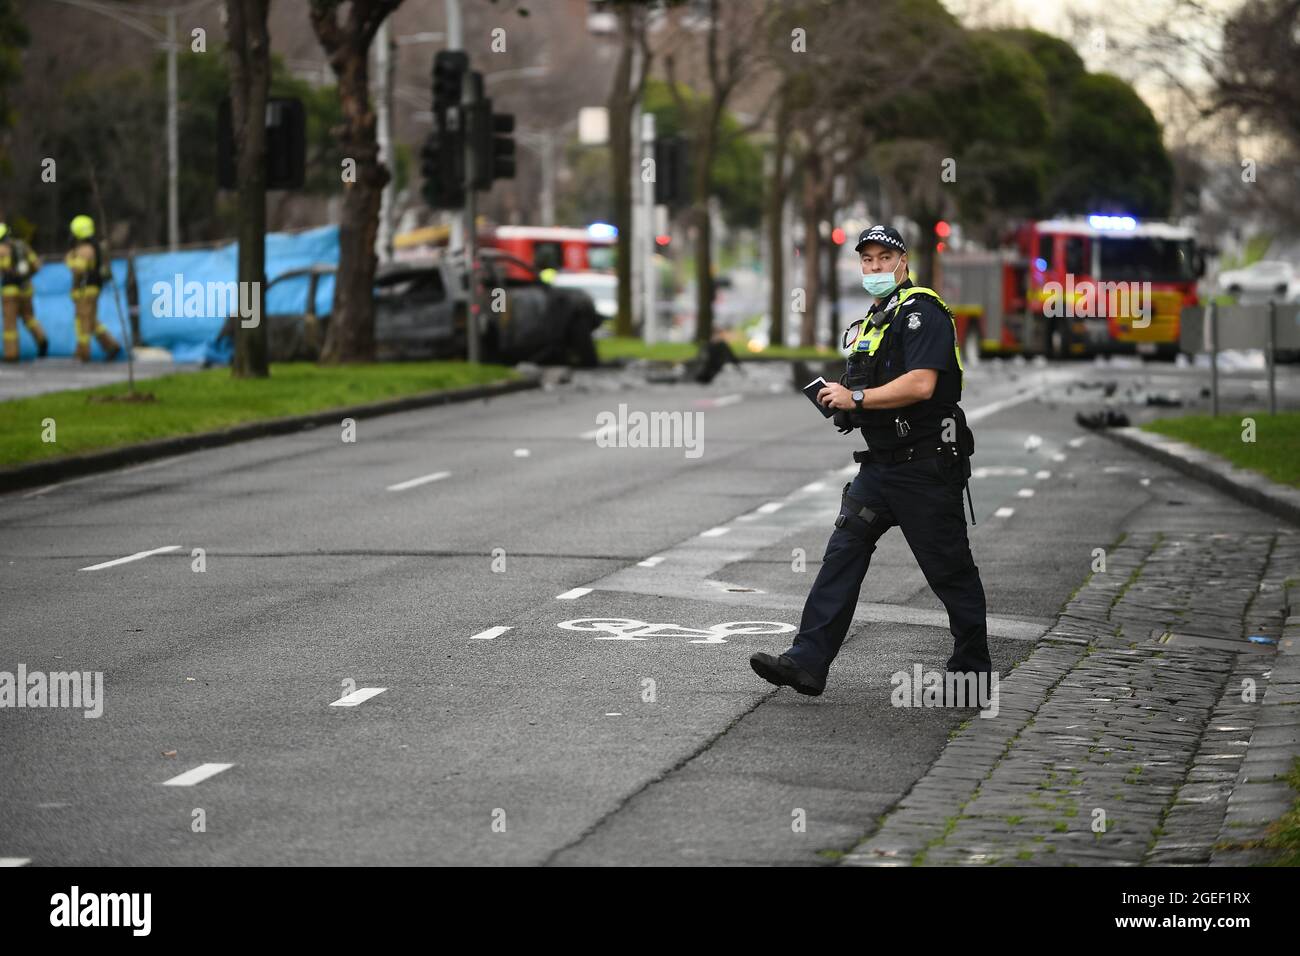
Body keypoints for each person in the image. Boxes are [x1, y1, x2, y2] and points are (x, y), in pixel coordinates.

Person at [750, 224, 991, 702]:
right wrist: (845, 407)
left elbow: (922, 385)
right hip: (879, 469)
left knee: (949, 571)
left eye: (884, 258)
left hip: (925, 467)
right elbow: (871, 389)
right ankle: (807, 661)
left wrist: (856, 396)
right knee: (843, 553)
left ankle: (972, 670)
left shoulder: (923, 312)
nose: (875, 267)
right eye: (867, 260)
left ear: (903, 260)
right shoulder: (876, 319)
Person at [64, 215, 121, 362]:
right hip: (89, 289)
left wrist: (69, 260)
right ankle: (110, 345)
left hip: (86, 289)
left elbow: (79, 269)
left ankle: (83, 353)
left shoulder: (86, 249)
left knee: (83, 321)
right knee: (89, 320)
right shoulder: (92, 247)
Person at [0, 222, 50, 360]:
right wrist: (26, 277)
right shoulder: (22, 246)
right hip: (26, 289)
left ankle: (11, 355)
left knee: (9, 325)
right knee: (29, 317)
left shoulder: (2, 250)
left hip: (9, 291)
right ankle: (42, 340)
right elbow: (36, 265)